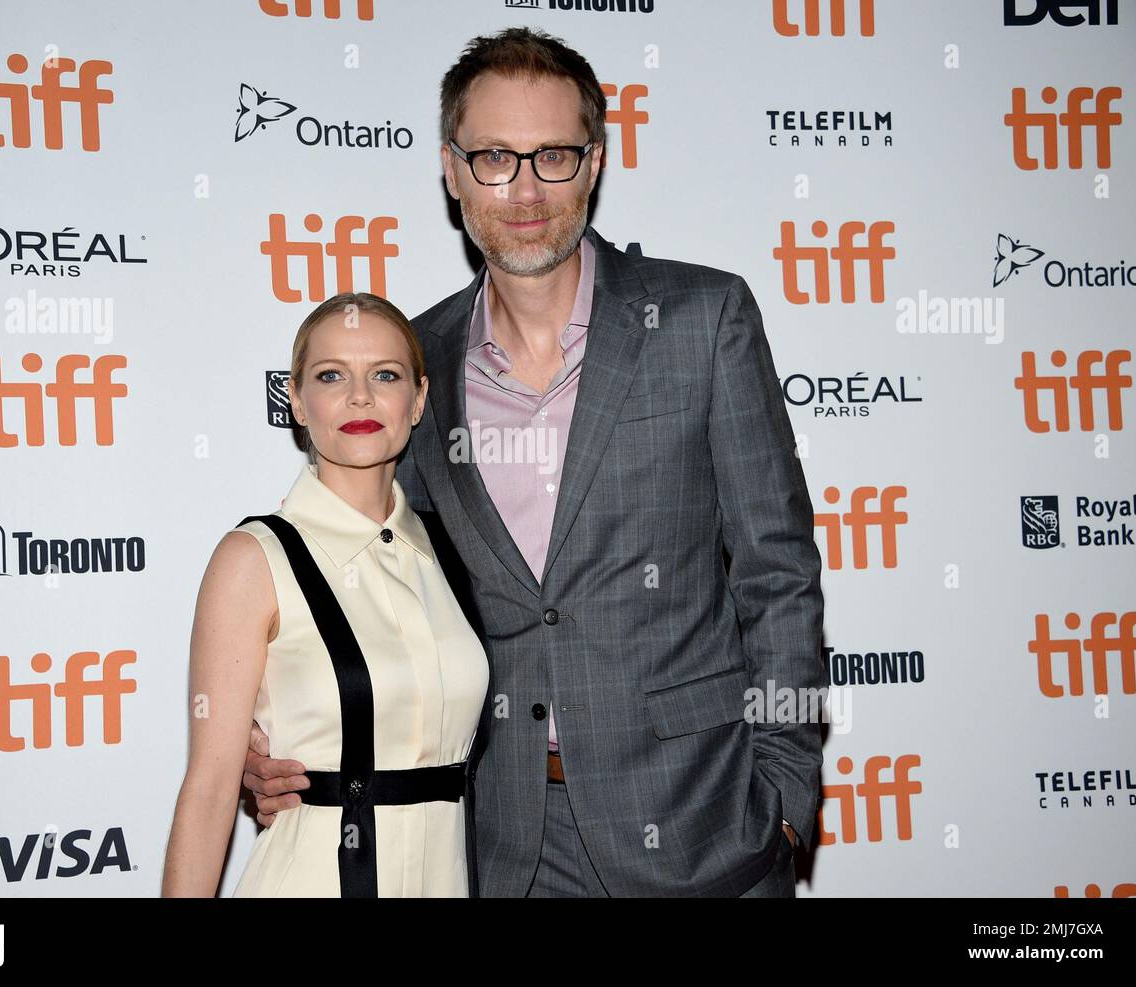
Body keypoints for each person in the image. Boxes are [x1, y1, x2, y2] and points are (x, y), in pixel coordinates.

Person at [243, 26, 827, 898]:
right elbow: (368, 574)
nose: (523, 189)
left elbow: (778, 568)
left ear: (594, 162)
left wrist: (784, 793)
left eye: (552, 155)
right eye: (492, 158)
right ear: (451, 168)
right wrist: (266, 730)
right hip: (505, 841)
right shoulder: (416, 361)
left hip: (708, 826)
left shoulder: (703, 319)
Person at [161, 292, 490, 897]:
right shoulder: (253, 559)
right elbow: (209, 791)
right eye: (331, 375)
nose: (360, 396)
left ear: (417, 400)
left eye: (384, 375)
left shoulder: (451, 553)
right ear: (296, 401)